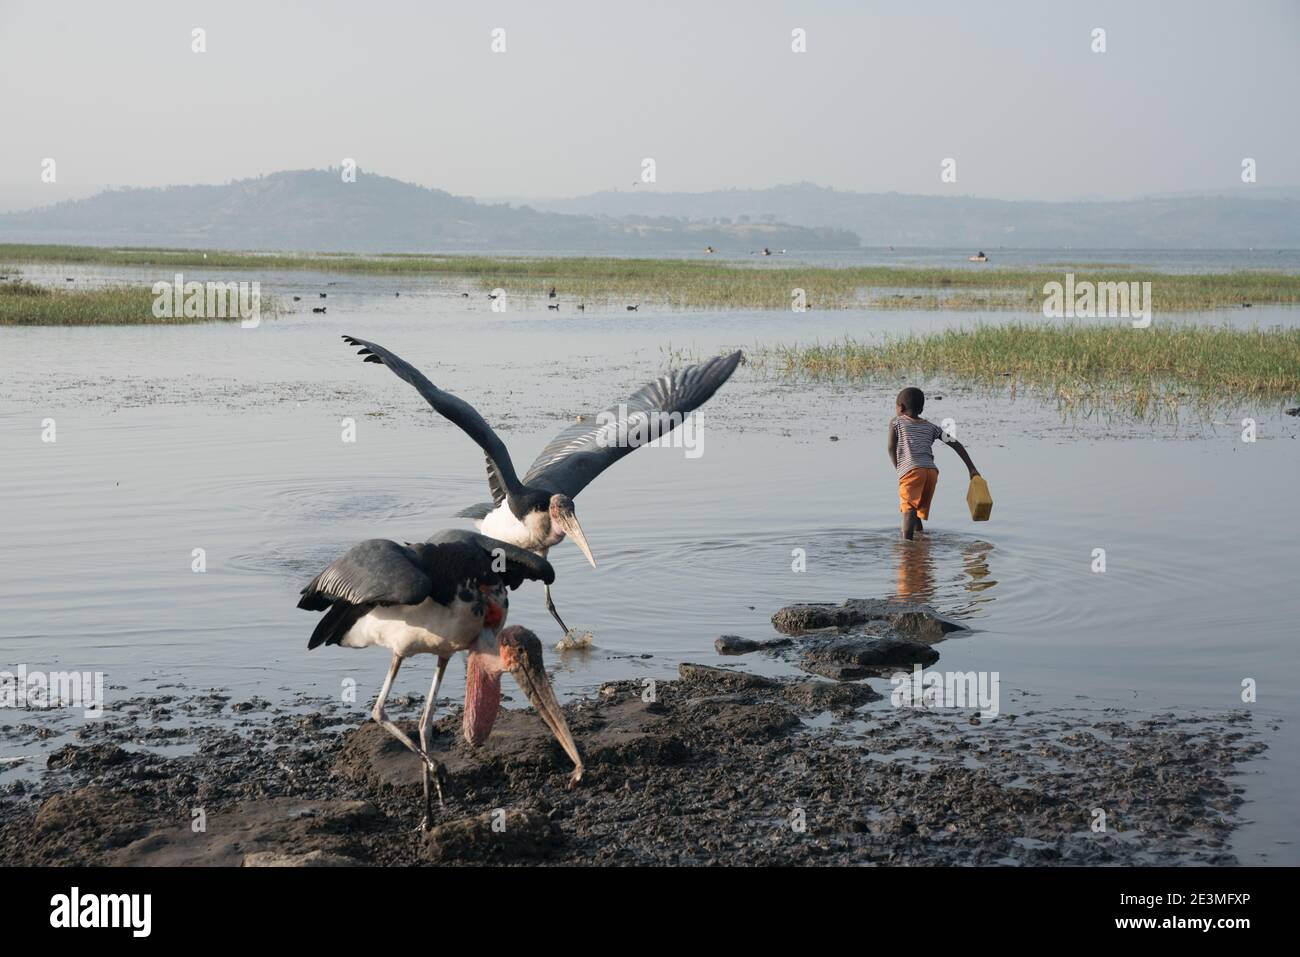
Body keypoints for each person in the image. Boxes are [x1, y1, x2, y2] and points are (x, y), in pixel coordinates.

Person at [886, 387, 979, 540]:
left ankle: (906, 545)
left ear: (900, 407)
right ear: (921, 408)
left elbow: (890, 447)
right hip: (931, 473)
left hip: (912, 471)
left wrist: (899, 469)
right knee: (915, 510)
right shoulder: (931, 427)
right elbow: (955, 444)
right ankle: (921, 540)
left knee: (908, 508)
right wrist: (971, 468)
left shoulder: (896, 422)